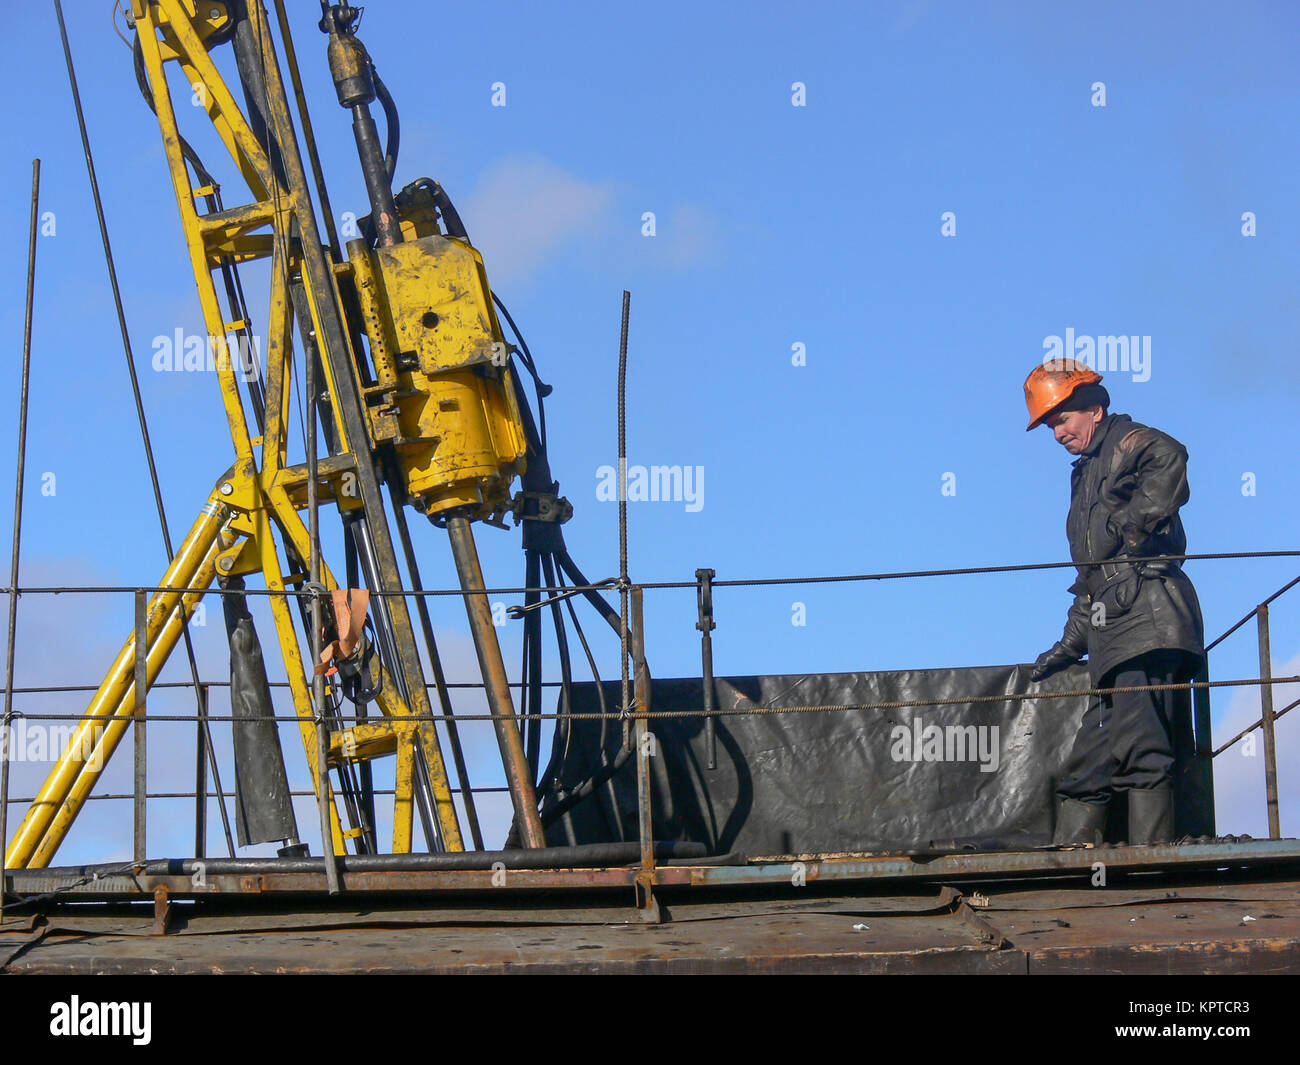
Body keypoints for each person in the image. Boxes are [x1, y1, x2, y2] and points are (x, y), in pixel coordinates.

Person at [1024, 358, 1205, 846]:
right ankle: (1072, 869)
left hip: (1148, 619)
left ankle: (1150, 864)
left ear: (1094, 409)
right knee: (1089, 764)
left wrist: (1132, 525)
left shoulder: (1128, 442)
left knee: (1141, 746)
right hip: (1112, 631)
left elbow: (1170, 455)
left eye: (1062, 419)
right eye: (1050, 425)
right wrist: (1069, 643)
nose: (1057, 433)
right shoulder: (1085, 475)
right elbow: (1093, 575)